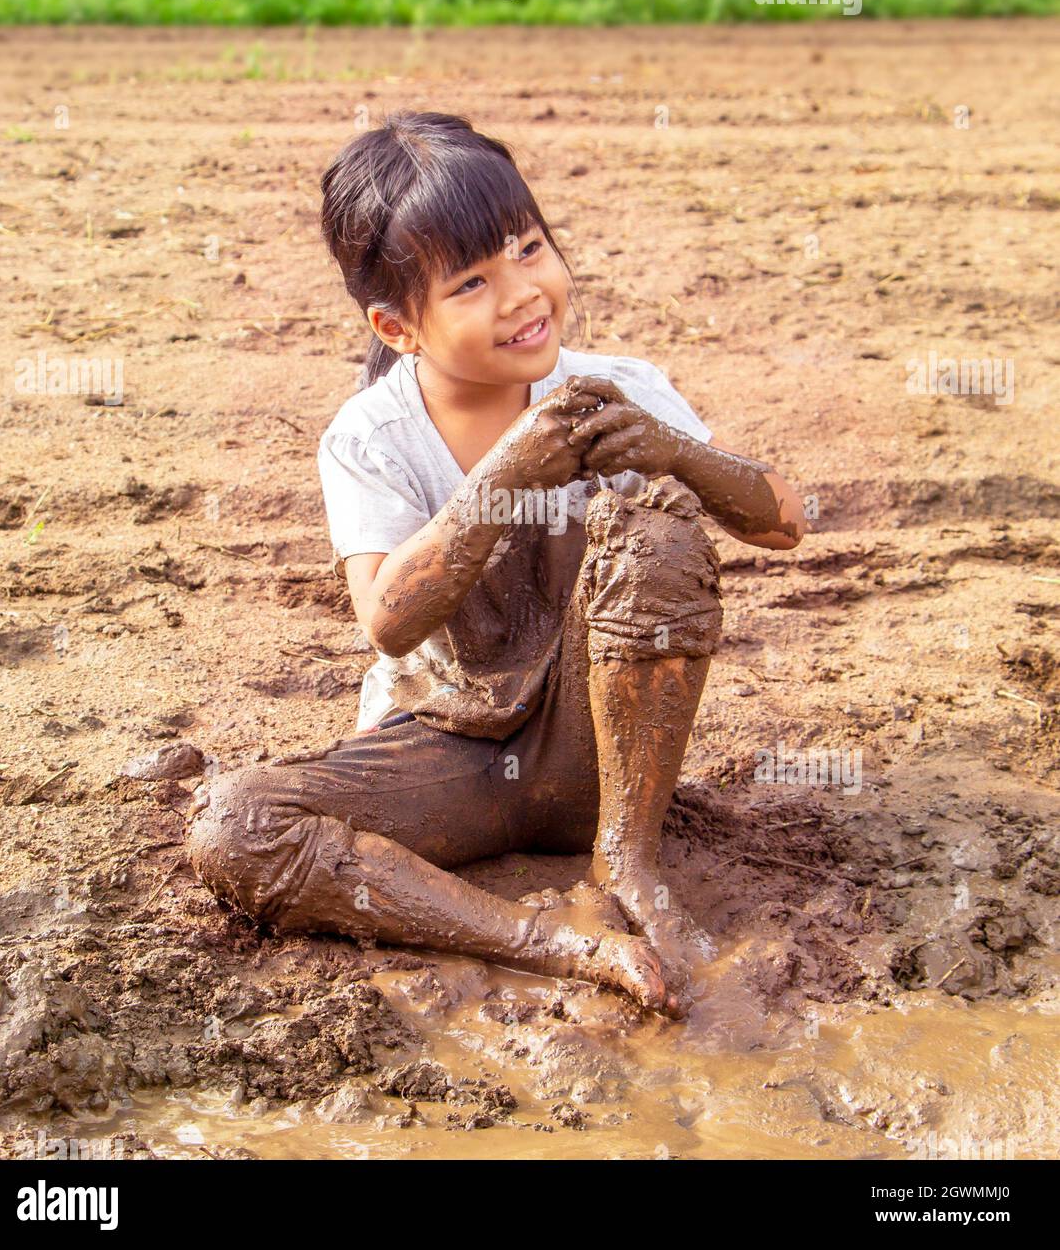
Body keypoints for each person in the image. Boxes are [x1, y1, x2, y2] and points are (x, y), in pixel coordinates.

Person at [185, 110, 808, 1016]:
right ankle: (547, 943)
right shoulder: (370, 435)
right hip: (447, 754)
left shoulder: (616, 386)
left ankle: (625, 863)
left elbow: (782, 521)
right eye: (471, 281)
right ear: (397, 328)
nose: (520, 293)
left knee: (659, 531)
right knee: (236, 824)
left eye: (528, 248)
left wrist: (675, 450)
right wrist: (506, 471)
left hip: (599, 752)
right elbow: (387, 621)